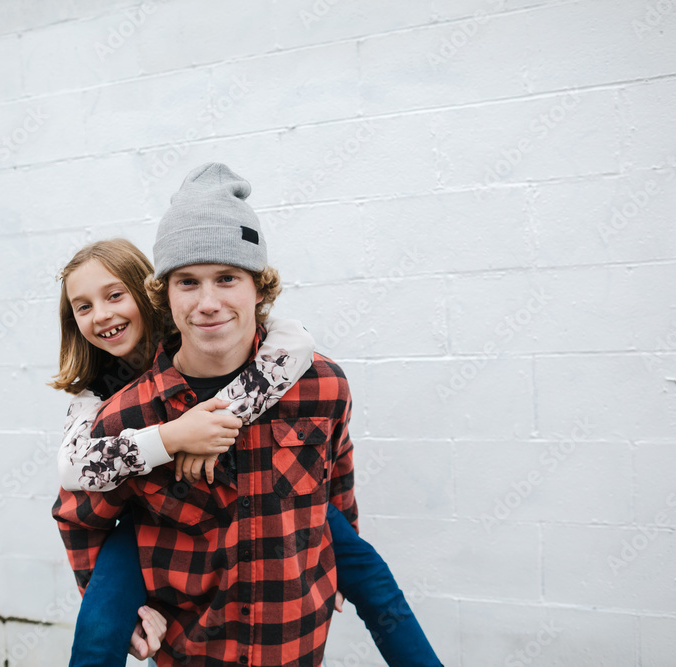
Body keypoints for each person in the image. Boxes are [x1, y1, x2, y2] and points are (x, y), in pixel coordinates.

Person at [52, 164, 442, 666]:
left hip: (292, 625)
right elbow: (76, 494)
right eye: (188, 282)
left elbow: (335, 472)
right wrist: (173, 437)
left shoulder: (308, 377)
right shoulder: (110, 407)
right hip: (177, 598)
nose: (208, 302)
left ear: (259, 287)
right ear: (164, 295)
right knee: (98, 632)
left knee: (377, 584)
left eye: (228, 277)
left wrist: (336, 560)